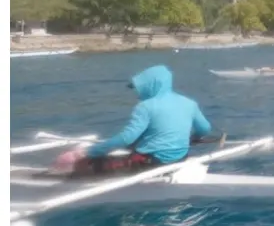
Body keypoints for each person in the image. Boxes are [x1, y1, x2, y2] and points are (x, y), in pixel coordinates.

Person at [70, 65, 218, 175]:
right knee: (132, 146)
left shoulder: (145, 107)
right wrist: (194, 137)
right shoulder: (189, 103)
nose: (138, 93)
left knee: (88, 162)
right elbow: (205, 129)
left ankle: (73, 175)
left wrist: (90, 151)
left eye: (140, 88)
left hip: (152, 163)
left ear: (150, 86)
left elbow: (127, 138)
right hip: (180, 158)